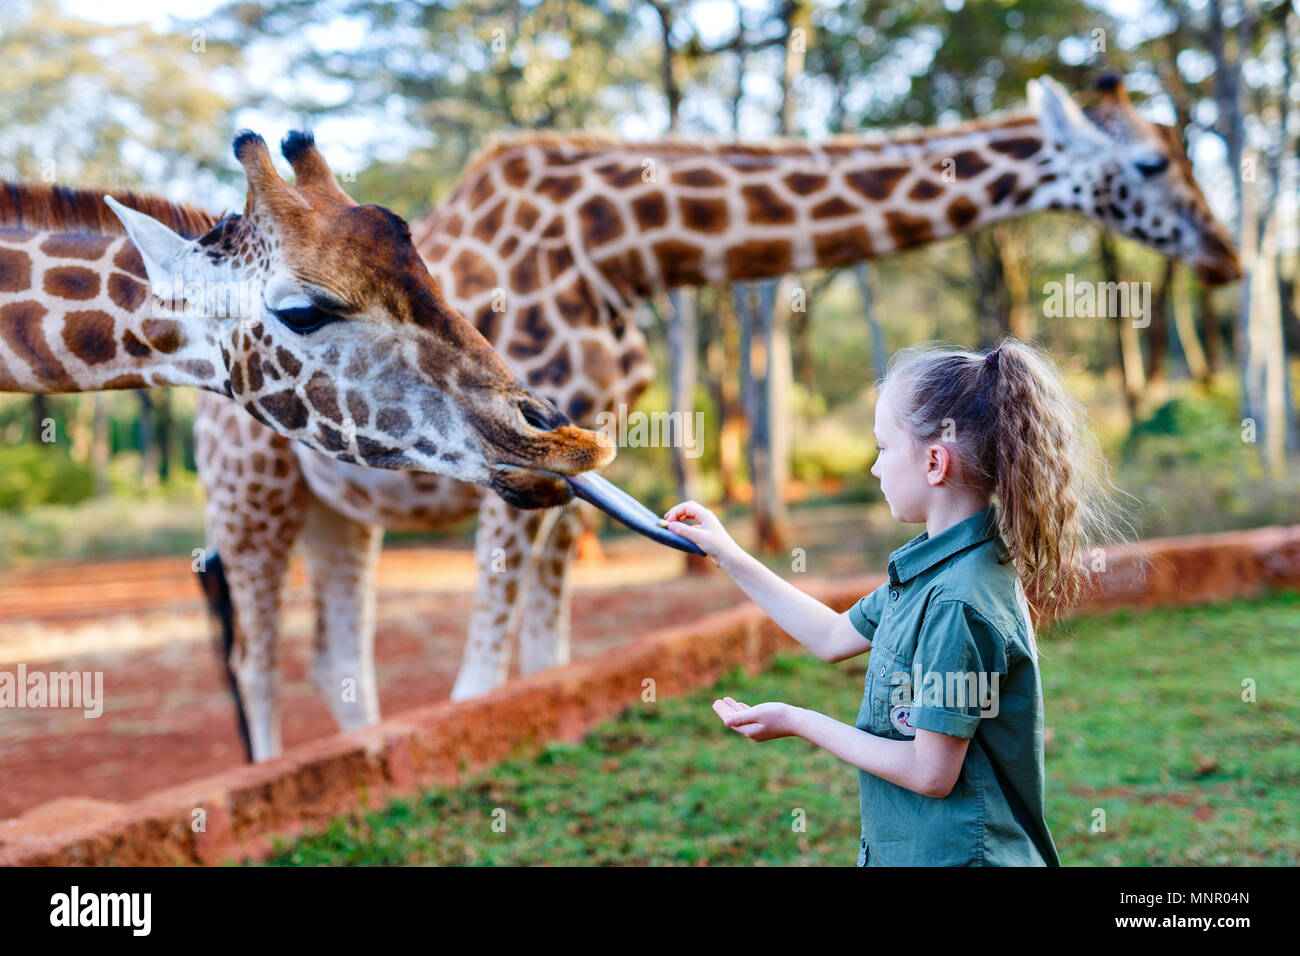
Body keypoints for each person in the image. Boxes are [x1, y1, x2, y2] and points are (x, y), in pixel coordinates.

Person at [661, 337, 1137, 866]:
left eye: (883, 448)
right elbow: (832, 636)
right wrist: (727, 553)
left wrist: (798, 720)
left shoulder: (959, 603)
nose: (874, 467)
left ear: (935, 462)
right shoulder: (934, 569)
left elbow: (930, 773)